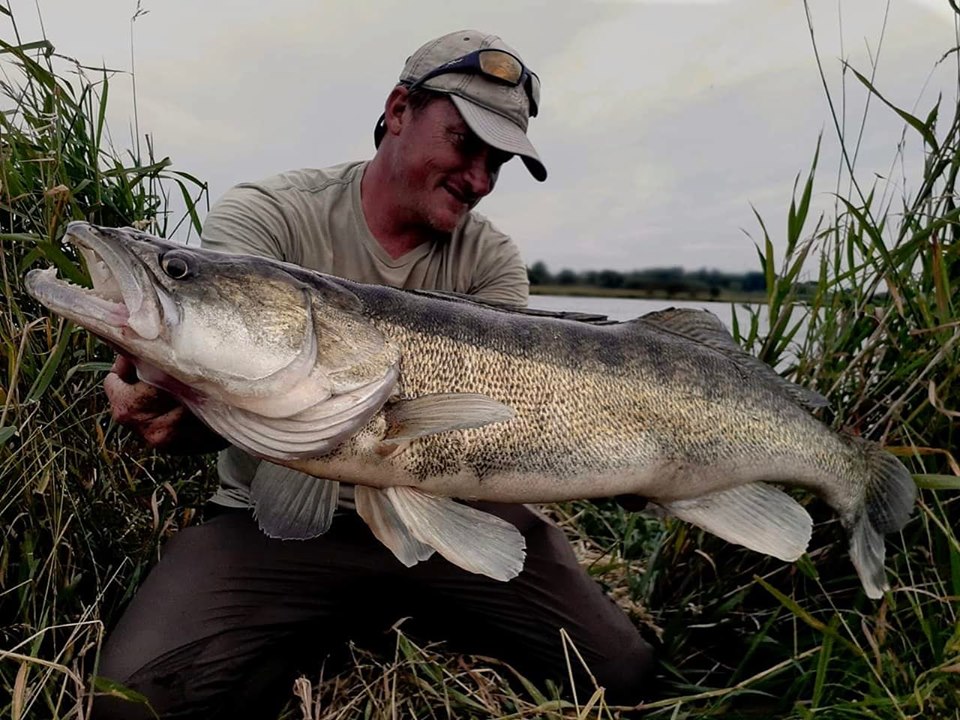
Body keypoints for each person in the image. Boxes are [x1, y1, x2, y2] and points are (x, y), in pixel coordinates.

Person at [94, 30, 656, 720]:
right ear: (397, 110)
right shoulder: (267, 216)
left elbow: (485, 433)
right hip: (273, 520)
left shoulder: (492, 261)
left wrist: (626, 465)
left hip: (450, 512)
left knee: (618, 672)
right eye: (463, 143)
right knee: (134, 701)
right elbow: (221, 378)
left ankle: (383, 614)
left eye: (497, 162)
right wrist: (175, 398)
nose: (479, 179)